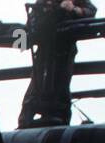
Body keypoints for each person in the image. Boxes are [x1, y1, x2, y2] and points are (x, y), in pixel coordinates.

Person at [18, 0, 98, 128]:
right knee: (36, 86)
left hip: (64, 51)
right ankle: (25, 121)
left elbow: (91, 11)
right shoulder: (40, 4)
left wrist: (74, 9)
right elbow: (28, 29)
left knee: (61, 85)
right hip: (43, 52)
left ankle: (60, 118)